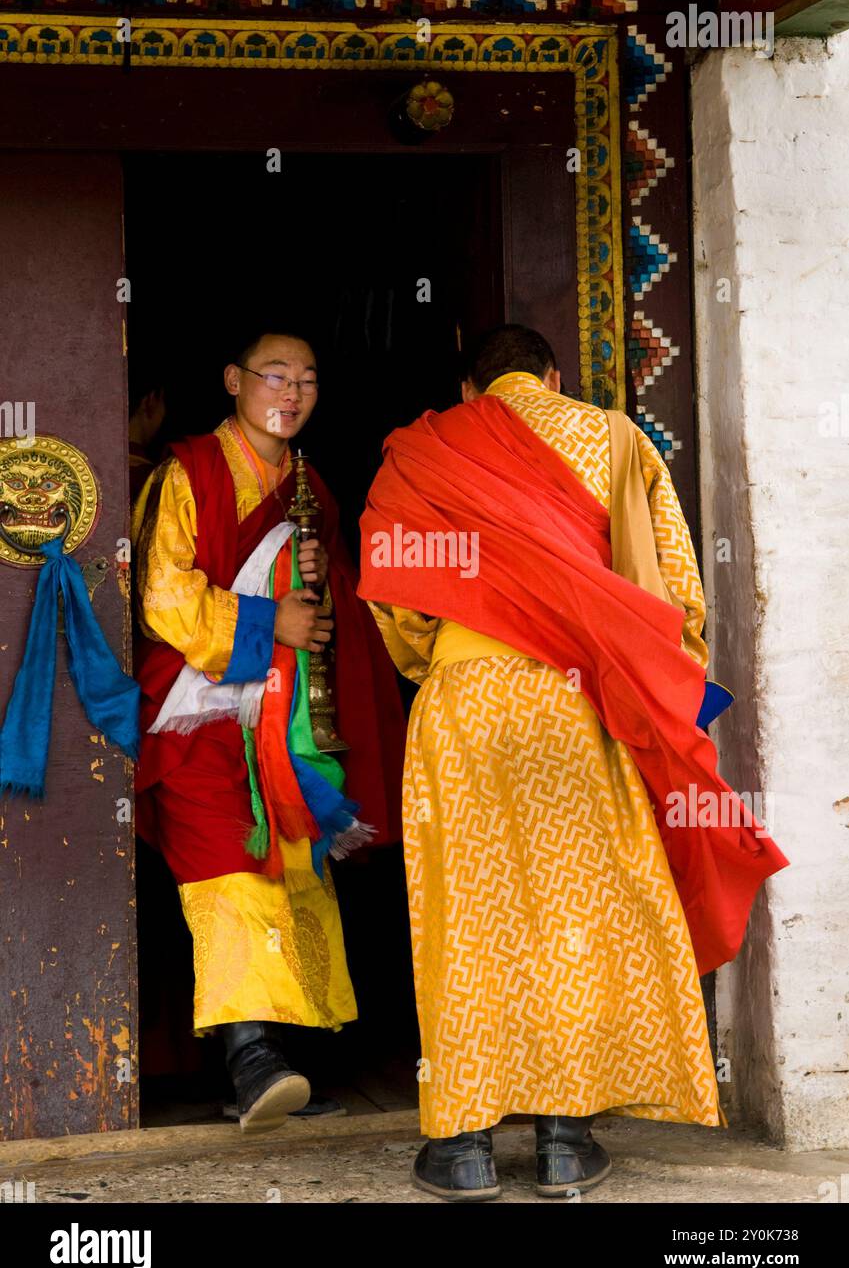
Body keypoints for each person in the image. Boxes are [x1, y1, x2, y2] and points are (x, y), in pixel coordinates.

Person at [359, 323, 789, 1202]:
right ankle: (564, 1141)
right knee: (579, 914)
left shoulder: (423, 447)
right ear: (552, 377)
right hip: (578, 701)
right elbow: (673, 586)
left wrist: (439, 661)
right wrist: (665, 685)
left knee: (464, 916)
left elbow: (395, 596)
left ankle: (462, 1147)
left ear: (473, 390)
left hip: (463, 701)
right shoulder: (616, 438)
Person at [131, 332, 405, 1132]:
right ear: (232, 381)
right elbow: (162, 596)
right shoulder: (189, 472)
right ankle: (252, 1057)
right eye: (274, 377)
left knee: (292, 864)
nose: (290, 394)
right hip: (200, 703)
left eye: (308, 382)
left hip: (280, 715)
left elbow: (331, 602)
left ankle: (278, 1053)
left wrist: (316, 610)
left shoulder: (309, 485)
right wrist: (266, 620)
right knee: (227, 861)